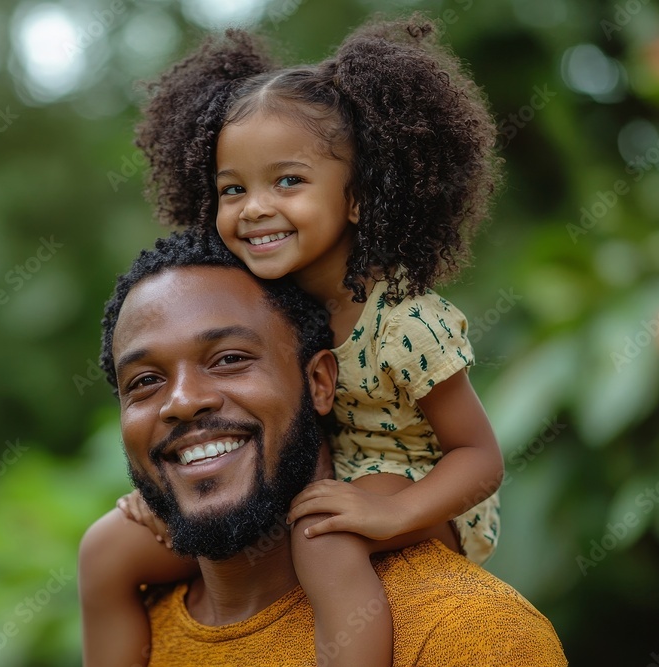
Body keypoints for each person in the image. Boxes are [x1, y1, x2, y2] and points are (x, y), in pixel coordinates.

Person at [84, 15, 506, 666]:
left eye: (287, 181)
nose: (254, 208)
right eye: (234, 188)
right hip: (309, 479)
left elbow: (479, 457)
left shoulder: (404, 323)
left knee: (321, 538)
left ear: (358, 198)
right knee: (106, 548)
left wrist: (390, 514)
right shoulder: (266, 298)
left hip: (416, 488)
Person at [79, 231, 566, 666]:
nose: (183, 402)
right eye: (145, 381)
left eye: (229, 359)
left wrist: (397, 513)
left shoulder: (470, 639)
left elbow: (477, 455)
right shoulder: (142, 614)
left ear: (319, 382)